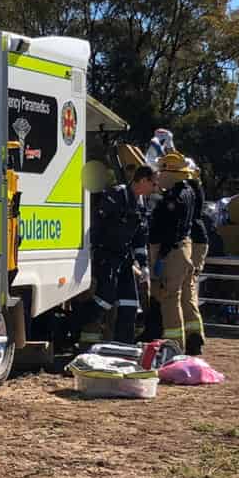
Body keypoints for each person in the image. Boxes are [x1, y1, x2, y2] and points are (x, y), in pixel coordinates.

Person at [79, 165, 156, 346]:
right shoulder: (116, 195)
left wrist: (143, 265)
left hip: (124, 258)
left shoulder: (141, 203)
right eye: (153, 184)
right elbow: (97, 225)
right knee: (105, 298)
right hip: (106, 255)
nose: (155, 188)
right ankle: (76, 327)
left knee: (130, 303)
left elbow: (139, 236)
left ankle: (124, 346)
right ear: (143, 180)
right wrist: (91, 252)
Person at [149, 151, 206, 355]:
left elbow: (168, 230)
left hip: (172, 251)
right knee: (187, 296)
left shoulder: (173, 199)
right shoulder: (189, 191)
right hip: (185, 247)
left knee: (170, 298)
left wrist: (160, 257)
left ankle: (174, 347)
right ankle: (194, 338)